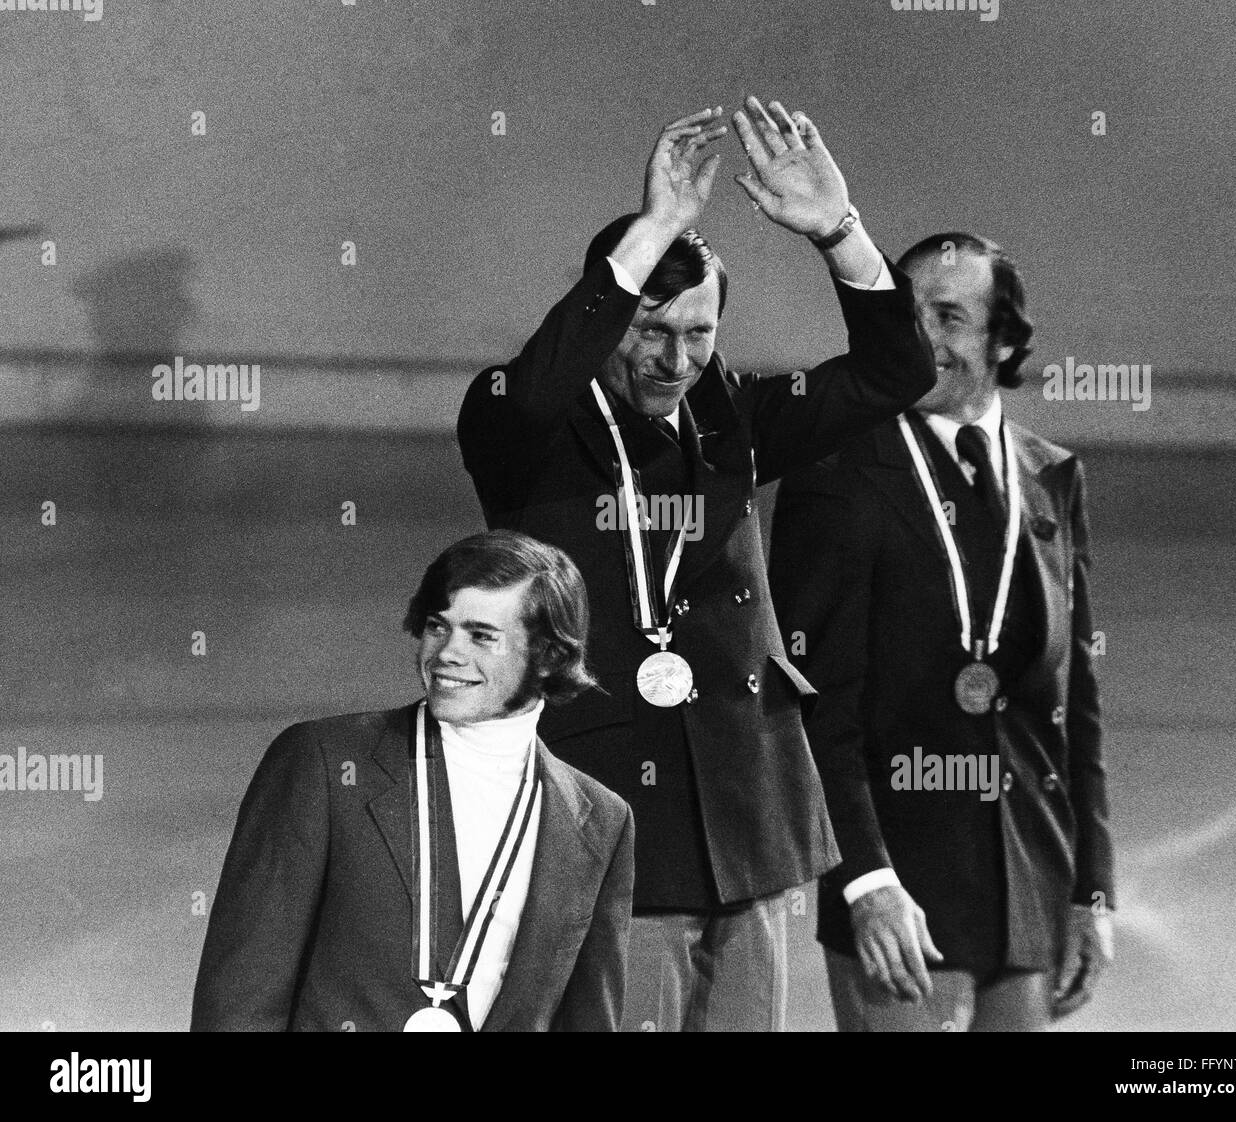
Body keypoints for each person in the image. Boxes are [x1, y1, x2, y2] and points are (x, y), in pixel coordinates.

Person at [456, 99, 935, 1030]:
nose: (674, 360)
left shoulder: (738, 424)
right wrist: (652, 234)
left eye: (698, 335)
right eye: (648, 333)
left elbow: (894, 374)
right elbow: (532, 392)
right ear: (605, 327)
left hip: (744, 818)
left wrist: (840, 233)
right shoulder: (528, 433)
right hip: (604, 821)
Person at [769, 233, 1116, 1031]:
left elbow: (1078, 710)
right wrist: (863, 881)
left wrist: (1091, 890)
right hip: (897, 897)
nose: (921, 336)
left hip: (1027, 883)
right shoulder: (839, 471)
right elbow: (813, 706)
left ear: (1001, 341)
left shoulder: (1052, 477)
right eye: (905, 312)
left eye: (949, 316)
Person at [191, 530, 634, 1031]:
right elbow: (238, 1001)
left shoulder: (602, 820)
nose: (447, 653)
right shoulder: (323, 762)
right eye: (436, 627)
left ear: (549, 655)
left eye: (481, 636)